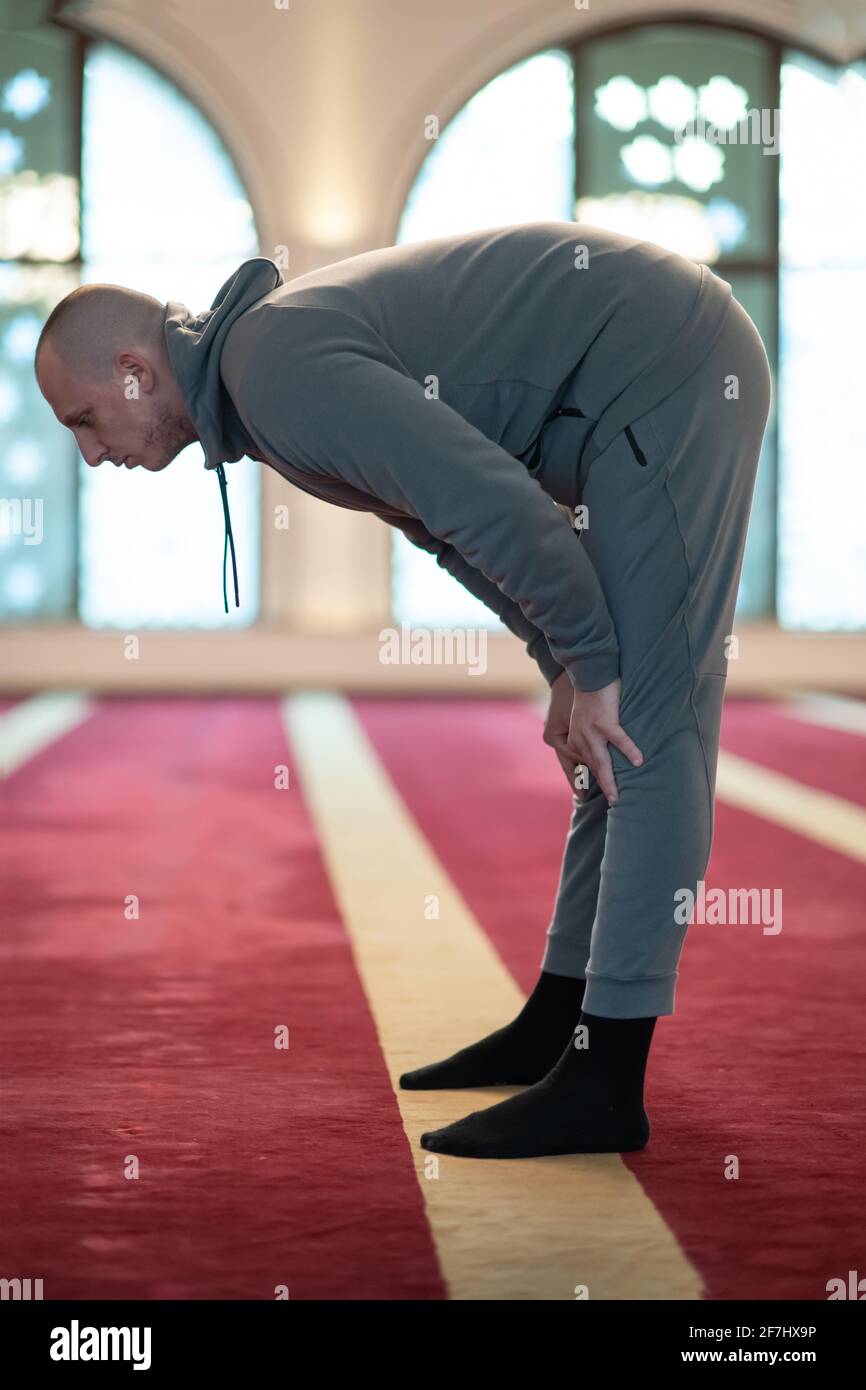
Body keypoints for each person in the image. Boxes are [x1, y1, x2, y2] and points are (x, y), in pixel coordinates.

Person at [34, 220, 772, 1159]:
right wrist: (565, 665)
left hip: (670, 367)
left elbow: (493, 503)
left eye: (84, 421)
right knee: (604, 736)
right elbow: (448, 531)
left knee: (645, 729)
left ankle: (606, 1083)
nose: (92, 456)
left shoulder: (274, 371)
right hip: (624, 384)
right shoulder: (261, 390)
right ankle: (562, 1026)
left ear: (136, 370)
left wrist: (595, 661)